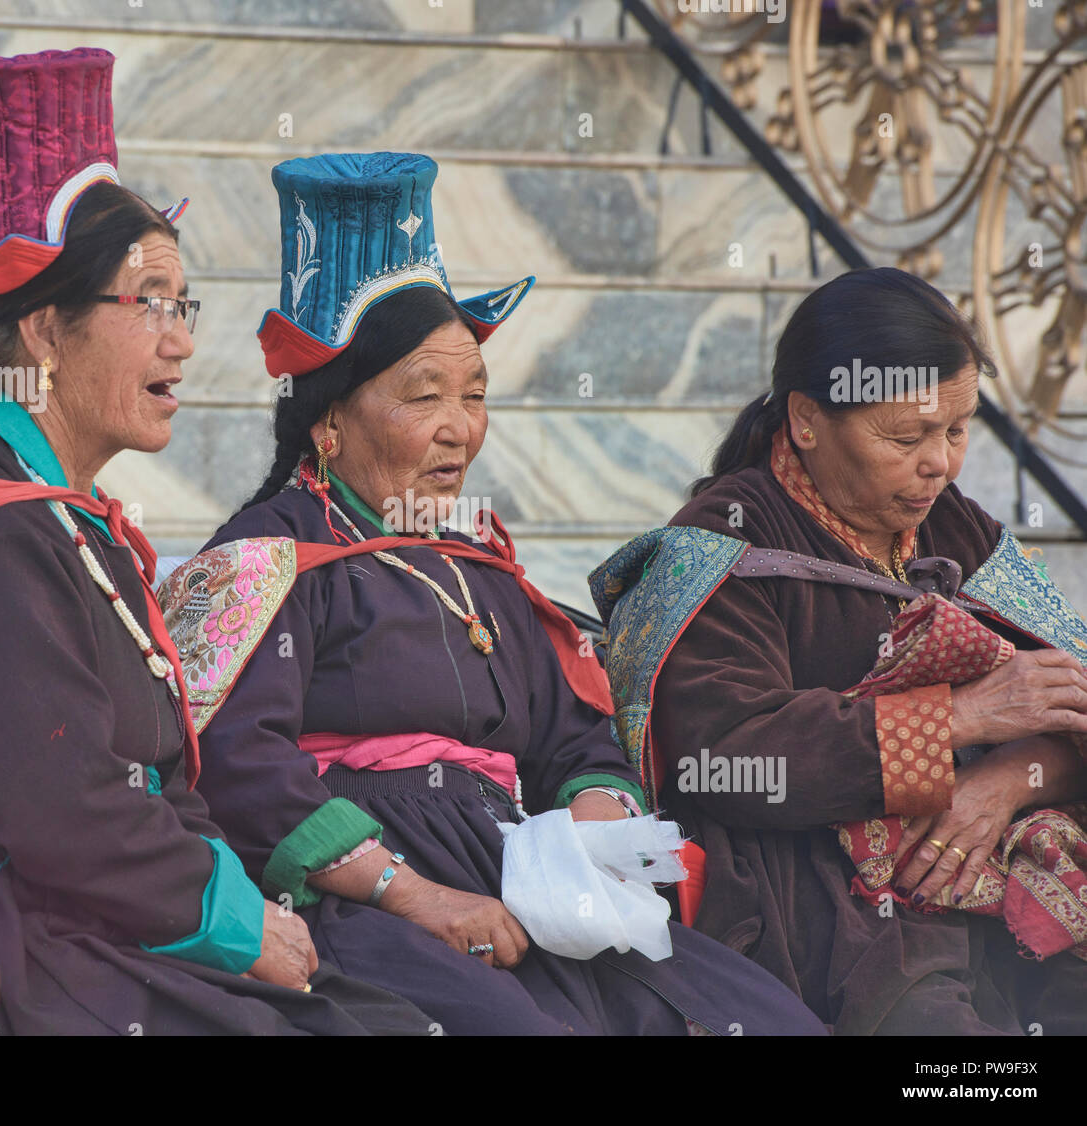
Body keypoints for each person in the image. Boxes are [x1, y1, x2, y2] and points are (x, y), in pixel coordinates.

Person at [0, 50, 434, 1036]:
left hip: (49, 912)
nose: (180, 339)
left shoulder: (54, 520)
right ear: (46, 330)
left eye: (185, 306)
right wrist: (234, 920)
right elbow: (61, 808)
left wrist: (246, 908)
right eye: (150, 302)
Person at [166, 152, 827, 1035]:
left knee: (755, 1019)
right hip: (363, 902)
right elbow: (241, 762)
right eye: (424, 396)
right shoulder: (270, 561)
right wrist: (415, 896)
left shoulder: (480, 568)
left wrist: (597, 827)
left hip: (520, 880)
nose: (460, 428)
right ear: (328, 421)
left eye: (475, 394)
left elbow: (574, 736)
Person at [592, 266, 1087, 1035]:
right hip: (825, 903)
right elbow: (717, 756)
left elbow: (1069, 700)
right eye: (907, 437)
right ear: (807, 419)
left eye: (957, 429)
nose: (942, 463)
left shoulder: (960, 531)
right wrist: (957, 719)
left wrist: (1003, 782)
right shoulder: (724, 545)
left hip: (999, 865)